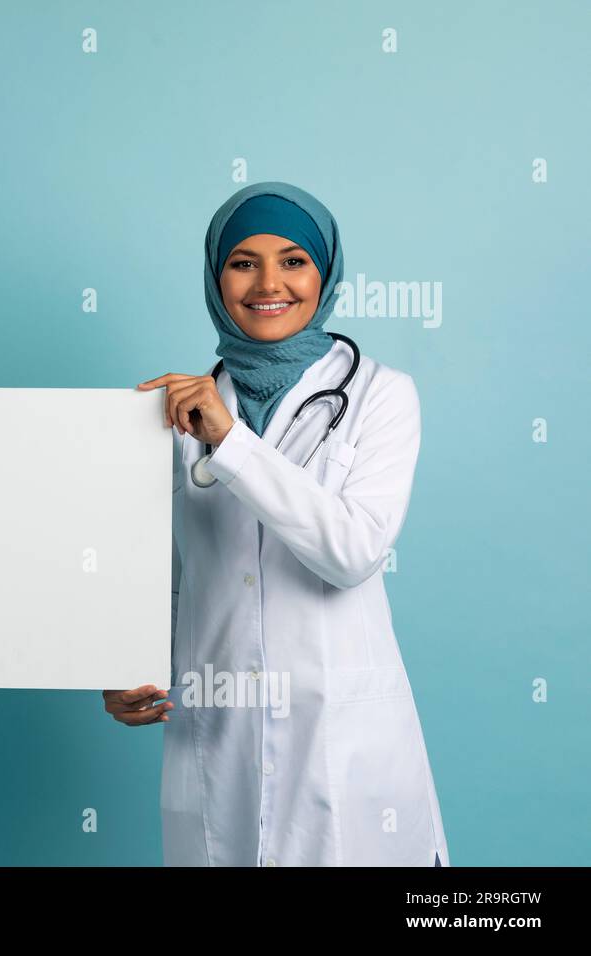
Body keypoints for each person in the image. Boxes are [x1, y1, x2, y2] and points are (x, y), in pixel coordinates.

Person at [103, 182, 449, 866]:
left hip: (342, 753)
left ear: (325, 273)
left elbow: (351, 551)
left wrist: (231, 442)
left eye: (294, 261)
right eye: (242, 262)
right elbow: (166, 581)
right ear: (215, 275)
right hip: (216, 743)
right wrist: (126, 665)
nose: (269, 283)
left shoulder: (381, 395)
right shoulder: (170, 414)